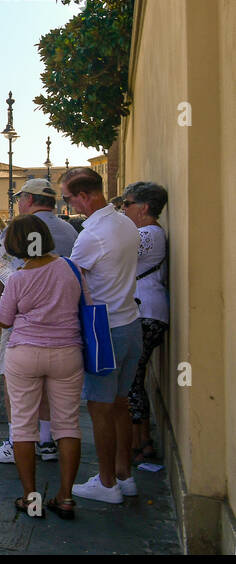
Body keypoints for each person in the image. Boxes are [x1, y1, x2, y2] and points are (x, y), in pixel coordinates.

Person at [61, 167, 143, 505]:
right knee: (121, 405)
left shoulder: (92, 233)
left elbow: (70, 278)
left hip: (104, 328)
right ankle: (124, 474)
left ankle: (106, 481)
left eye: (68, 198)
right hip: (130, 321)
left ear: (83, 196)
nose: (69, 205)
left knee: (100, 408)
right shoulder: (125, 222)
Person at [0, 215, 84, 519]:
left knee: (23, 425)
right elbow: (86, 303)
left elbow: (4, 319)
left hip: (25, 353)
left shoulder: (18, 277)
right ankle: (66, 497)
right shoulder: (70, 268)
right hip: (68, 352)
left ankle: (30, 498)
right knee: (68, 424)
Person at [0, 178, 79, 462]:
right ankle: (48, 441)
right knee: (53, 388)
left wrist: (5, 298)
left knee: (16, 390)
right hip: (63, 327)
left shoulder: (18, 229)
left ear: (29, 199)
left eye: (19, 199)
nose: (17, 203)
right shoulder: (69, 230)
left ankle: (17, 441)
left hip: (23, 326)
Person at [121, 181, 169, 465]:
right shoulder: (149, 233)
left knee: (131, 380)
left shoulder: (148, 234)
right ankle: (141, 441)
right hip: (148, 310)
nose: (123, 209)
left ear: (144, 207)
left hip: (145, 311)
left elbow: (115, 254)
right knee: (135, 378)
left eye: (127, 204)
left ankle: (141, 442)